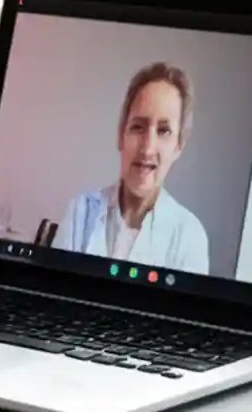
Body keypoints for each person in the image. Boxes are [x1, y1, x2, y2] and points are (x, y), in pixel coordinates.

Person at [54, 63, 210, 274]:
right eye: (138, 127)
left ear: (178, 147)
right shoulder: (80, 212)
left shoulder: (189, 236)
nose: (147, 148)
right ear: (121, 135)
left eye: (164, 131)